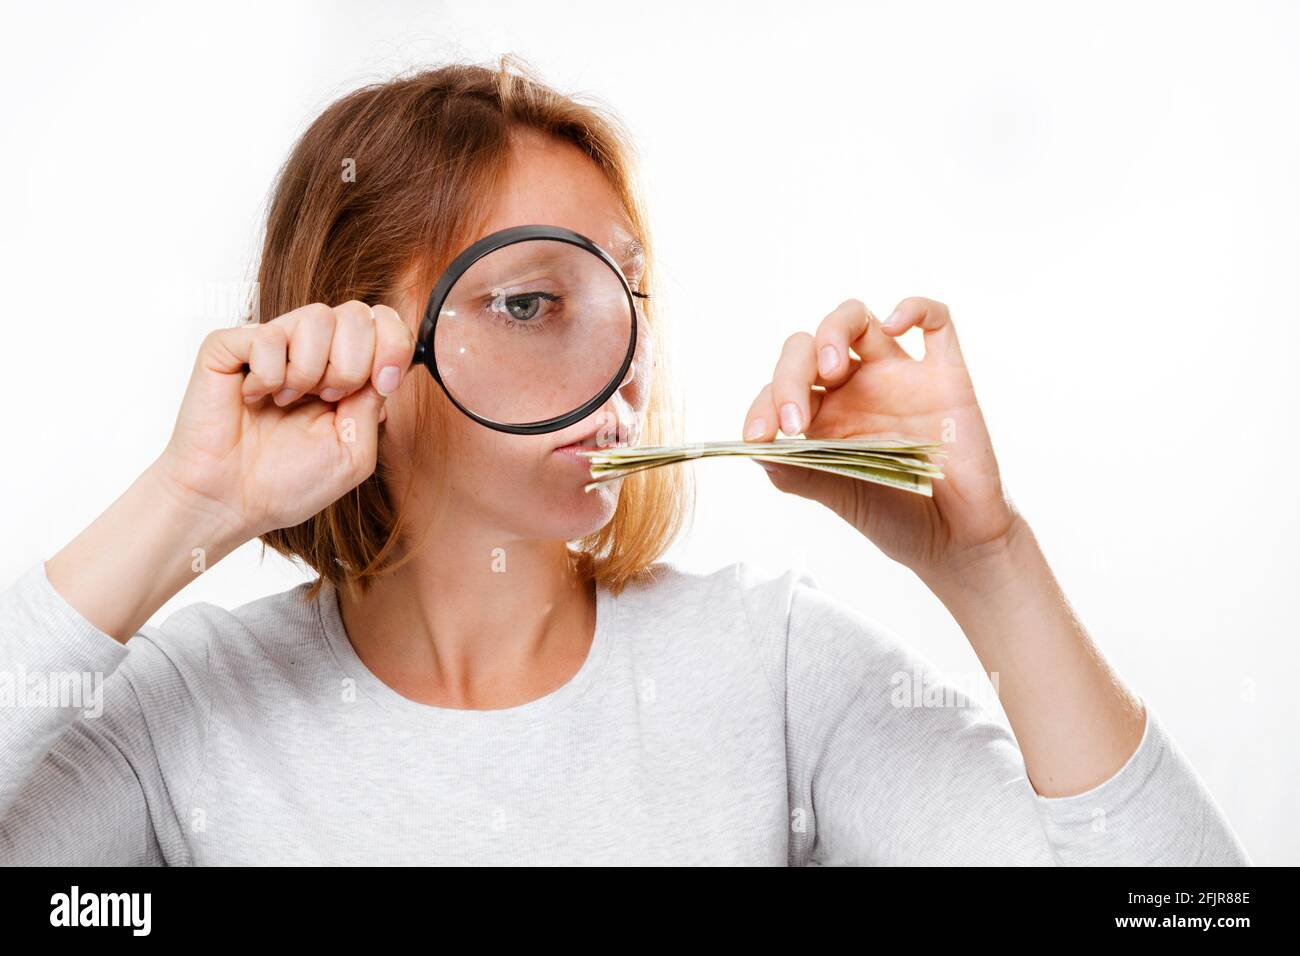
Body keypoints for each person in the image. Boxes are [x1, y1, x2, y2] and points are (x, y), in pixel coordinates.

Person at [0, 56, 1250, 865]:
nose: (625, 363)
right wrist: (183, 506)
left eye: (630, 303)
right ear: (358, 334)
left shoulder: (771, 672)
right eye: (536, 304)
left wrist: (987, 562)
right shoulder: (179, 719)